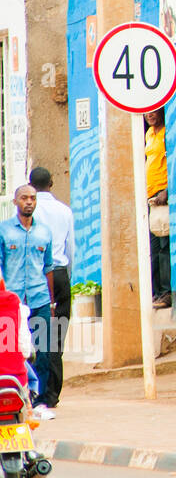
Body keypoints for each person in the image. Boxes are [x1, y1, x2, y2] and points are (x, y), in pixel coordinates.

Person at [0, 184, 55, 419]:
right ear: (15, 202)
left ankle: (40, 399)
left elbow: (49, 267)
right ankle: (16, 394)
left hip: (39, 298)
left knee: (43, 350)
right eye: (24, 198)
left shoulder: (44, 232)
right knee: (13, 351)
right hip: (11, 305)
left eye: (32, 198)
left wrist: (51, 302)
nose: (29, 202)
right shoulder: (3, 231)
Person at [30, 167, 74, 412]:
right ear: (52, 183)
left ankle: (38, 390)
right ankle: (53, 393)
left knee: (36, 336)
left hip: (36, 276)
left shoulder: (31, 211)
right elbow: (71, 247)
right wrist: (67, 276)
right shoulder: (64, 211)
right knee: (57, 335)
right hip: (58, 274)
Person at [144, 109, 171, 309]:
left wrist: (167, 191)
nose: (149, 115)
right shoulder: (149, 134)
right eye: (145, 112)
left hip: (162, 195)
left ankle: (166, 293)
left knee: (163, 246)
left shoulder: (166, 133)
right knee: (153, 248)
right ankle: (156, 293)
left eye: (153, 111)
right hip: (150, 195)